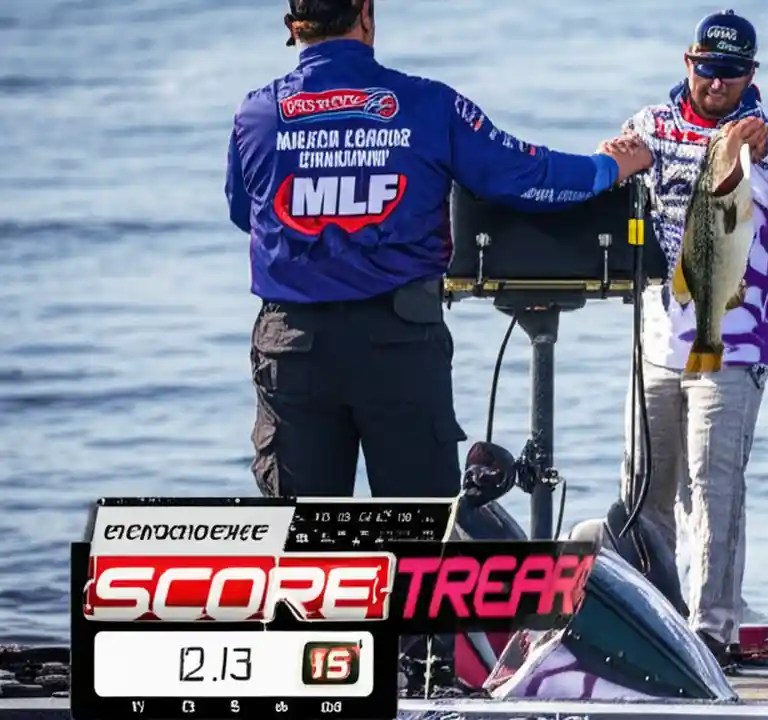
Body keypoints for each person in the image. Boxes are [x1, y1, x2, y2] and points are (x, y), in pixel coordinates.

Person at [224, 0, 650, 696]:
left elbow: (247, 208)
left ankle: (310, 685)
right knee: (416, 537)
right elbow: (521, 174)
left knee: (304, 535)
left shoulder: (256, 113)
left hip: (291, 345)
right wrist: (608, 167)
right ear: (366, 15)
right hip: (397, 342)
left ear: (291, 23)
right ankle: (419, 685)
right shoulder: (424, 105)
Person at [604, 9, 768, 662]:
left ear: (751, 75)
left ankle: (711, 631)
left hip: (733, 344)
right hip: (655, 343)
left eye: (729, 72)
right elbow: (606, 191)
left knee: (713, 487)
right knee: (646, 489)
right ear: (686, 63)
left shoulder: (765, 135)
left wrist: (765, 149)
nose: (715, 84)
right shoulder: (652, 124)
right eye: (705, 69)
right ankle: (651, 622)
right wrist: (609, 166)